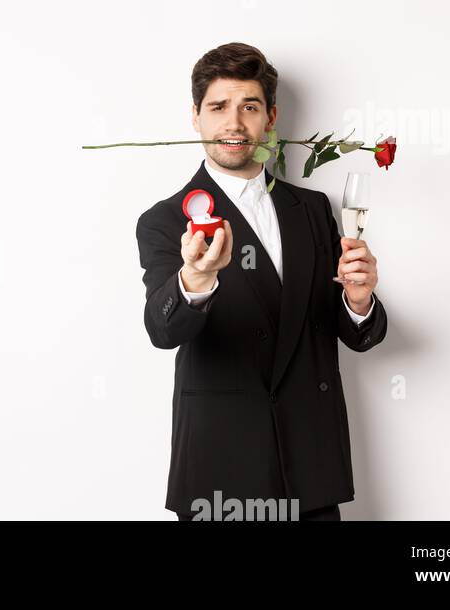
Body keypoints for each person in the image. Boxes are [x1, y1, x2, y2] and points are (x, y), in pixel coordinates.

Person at [135, 43, 387, 521]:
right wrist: (195, 278)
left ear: (270, 117)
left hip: (312, 471)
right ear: (196, 117)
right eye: (218, 107)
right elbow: (161, 329)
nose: (234, 122)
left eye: (249, 107)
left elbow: (349, 332)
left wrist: (359, 301)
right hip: (219, 478)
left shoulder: (312, 210)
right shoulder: (165, 220)